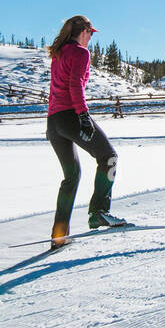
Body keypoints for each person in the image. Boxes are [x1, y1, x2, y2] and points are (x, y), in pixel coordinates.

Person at [46, 15, 128, 245]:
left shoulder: (59, 53)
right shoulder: (80, 53)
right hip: (71, 116)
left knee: (71, 177)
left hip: (53, 122)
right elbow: (74, 86)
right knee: (109, 157)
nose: (91, 38)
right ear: (83, 32)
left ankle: (59, 235)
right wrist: (83, 115)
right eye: (90, 33)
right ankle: (99, 213)